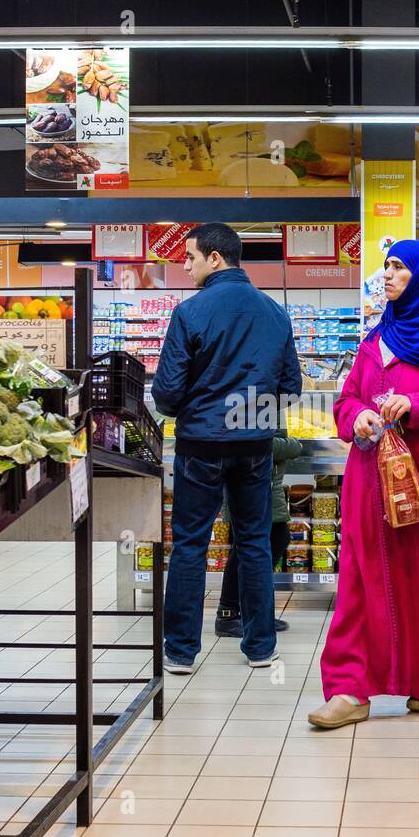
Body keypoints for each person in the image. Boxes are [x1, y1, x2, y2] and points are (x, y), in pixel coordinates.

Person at [308, 239, 419, 729]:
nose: (386, 274)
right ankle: (350, 690)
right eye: (385, 266)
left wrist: (418, 405)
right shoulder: (372, 341)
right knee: (363, 580)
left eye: (398, 267)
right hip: (371, 483)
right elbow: (344, 403)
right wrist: (359, 415)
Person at [152, 222, 303, 674]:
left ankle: (180, 650)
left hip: (201, 444)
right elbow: (291, 387)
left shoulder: (190, 312)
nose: (185, 265)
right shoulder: (276, 313)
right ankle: (260, 647)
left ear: (215, 258)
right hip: (255, 444)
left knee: (191, 544)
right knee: (254, 542)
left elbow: (166, 393)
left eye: (190, 257)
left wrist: (197, 406)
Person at [216, 430, 303, 637]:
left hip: (265, 483)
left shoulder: (271, 406)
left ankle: (254, 613)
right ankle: (228, 614)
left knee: (262, 545)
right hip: (254, 482)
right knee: (248, 549)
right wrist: (293, 445)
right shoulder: (259, 404)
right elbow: (262, 442)